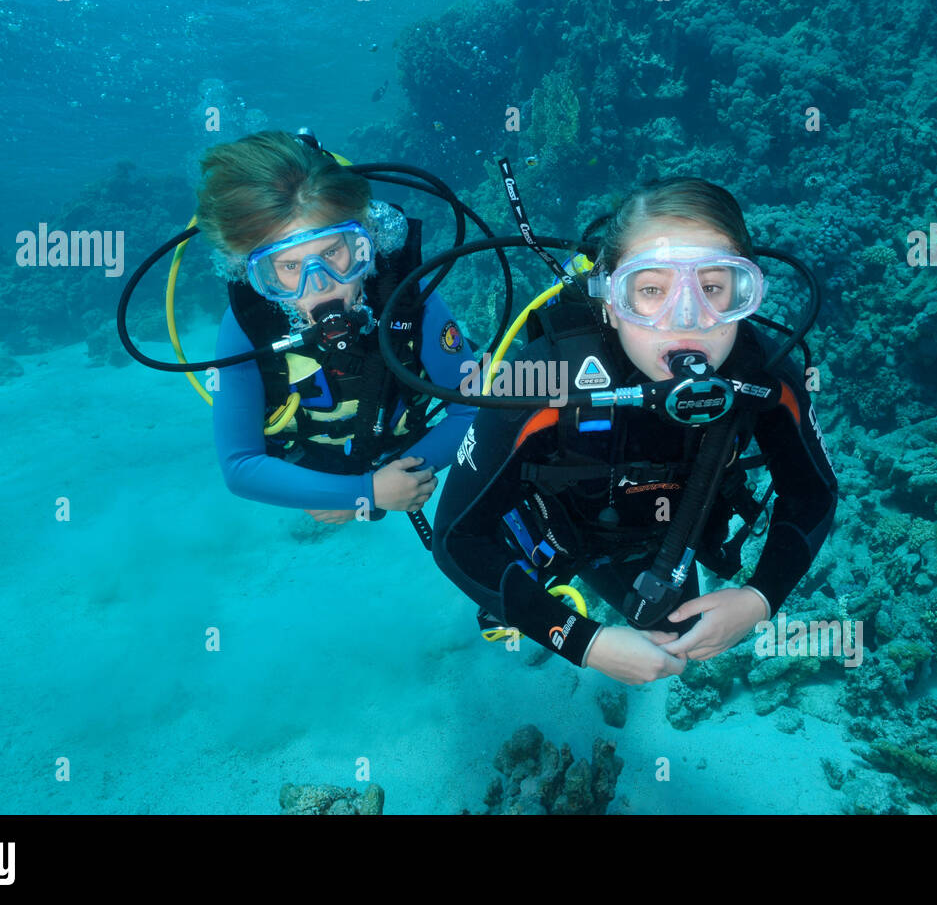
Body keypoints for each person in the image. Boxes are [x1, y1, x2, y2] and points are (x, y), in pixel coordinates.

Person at [431, 178, 838, 684]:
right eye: (650, 290)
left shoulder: (762, 377)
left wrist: (760, 599)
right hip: (556, 534)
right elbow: (456, 536)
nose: (687, 319)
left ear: (744, 294)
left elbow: (813, 492)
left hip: (668, 537)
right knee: (502, 596)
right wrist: (583, 641)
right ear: (609, 300)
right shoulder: (540, 379)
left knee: (672, 631)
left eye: (713, 288)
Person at [194, 130, 476, 524]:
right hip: (310, 464)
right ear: (258, 275)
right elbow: (239, 466)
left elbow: (473, 411)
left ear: (365, 240)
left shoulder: (409, 297)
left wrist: (392, 483)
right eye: (290, 267)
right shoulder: (248, 326)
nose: (321, 283)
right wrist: (366, 492)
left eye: (332, 252)